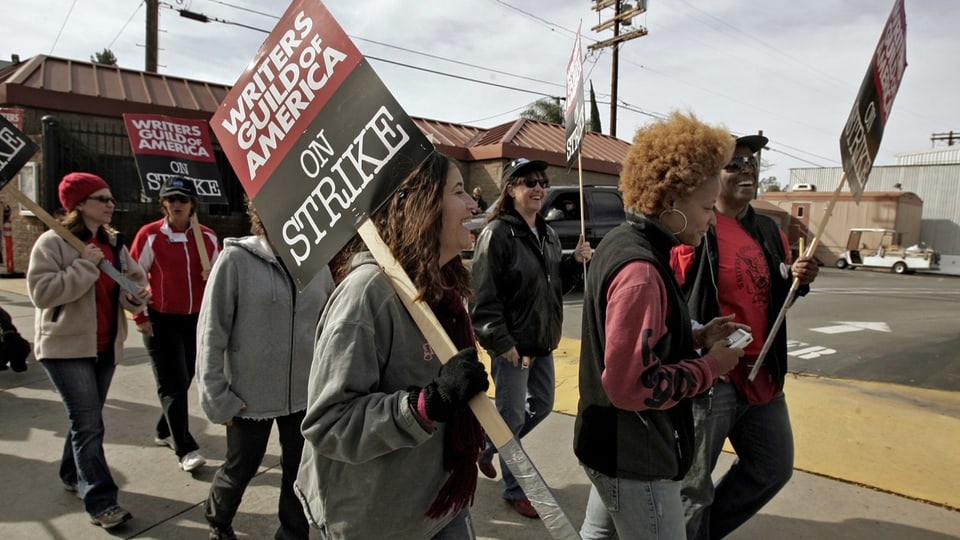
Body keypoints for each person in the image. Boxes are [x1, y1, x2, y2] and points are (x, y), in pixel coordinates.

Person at [296, 151, 491, 539]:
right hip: (379, 522)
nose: (473, 204)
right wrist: (427, 404)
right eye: (458, 191)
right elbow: (328, 422)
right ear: (422, 206)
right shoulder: (368, 294)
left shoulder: (444, 287)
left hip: (442, 505)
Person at [574, 112, 744, 540]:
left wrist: (698, 337)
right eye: (707, 208)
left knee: (596, 535)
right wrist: (712, 367)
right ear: (671, 201)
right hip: (636, 456)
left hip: (610, 446)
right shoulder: (641, 269)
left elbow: (630, 337)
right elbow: (632, 387)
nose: (712, 219)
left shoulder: (622, 240)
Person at [674, 134, 819, 540]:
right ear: (712, 175)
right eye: (735, 164)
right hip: (714, 377)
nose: (747, 170)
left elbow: (779, 295)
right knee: (693, 486)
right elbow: (671, 295)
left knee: (773, 467)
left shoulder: (768, 231)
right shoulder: (694, 224)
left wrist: (800, 282)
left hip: (762, 372)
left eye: (752, 163)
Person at [197, 200, 335, 540]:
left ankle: (291, 534)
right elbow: (211, 330)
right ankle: (218, 519)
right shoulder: (236, 260)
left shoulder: (316, 265)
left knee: (298, 473)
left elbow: (330, 326)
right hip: (247, 398)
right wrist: (215, 395)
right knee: (240, 466)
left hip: (303, 395)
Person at [469, 157, 592, 518]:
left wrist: (574, 263)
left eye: (542, 181)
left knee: (542, 403)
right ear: (510, 189)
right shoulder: (498, 234)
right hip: (513, 347)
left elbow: (555, 286)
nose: (538, 187)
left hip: (542, 341)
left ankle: (487, 444)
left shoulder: (548, 234)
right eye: (528, 182)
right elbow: (483, 298)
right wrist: (501, 342)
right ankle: (513, 486)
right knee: (511, 417)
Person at [27, 172, 149, 529]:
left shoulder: (115, 242)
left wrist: (134, 297)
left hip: (105, 346)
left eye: (111, 198)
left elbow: (134, 283)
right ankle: (101, 501)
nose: (111, 204)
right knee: (89, 423)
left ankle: (71, 472)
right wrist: (85, 265)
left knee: (86, 420)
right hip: (65, 350)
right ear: (79, 205)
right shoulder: (52, 243)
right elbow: (43, 294)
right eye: (102, 198)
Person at [130, 176, 219, 472]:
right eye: (171, 199)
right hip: (161, 319)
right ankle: (185, 448)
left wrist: (212, 278)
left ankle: (165, 429)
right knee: (172, 383)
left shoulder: (207, 238)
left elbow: (220, 279)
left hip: (195, 319)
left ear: (193, 203)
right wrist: (140, 316)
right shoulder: (150, 235)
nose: (177, 204)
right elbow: (133, 277)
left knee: (185, 378)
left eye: (182, 199)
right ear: (163, 204)